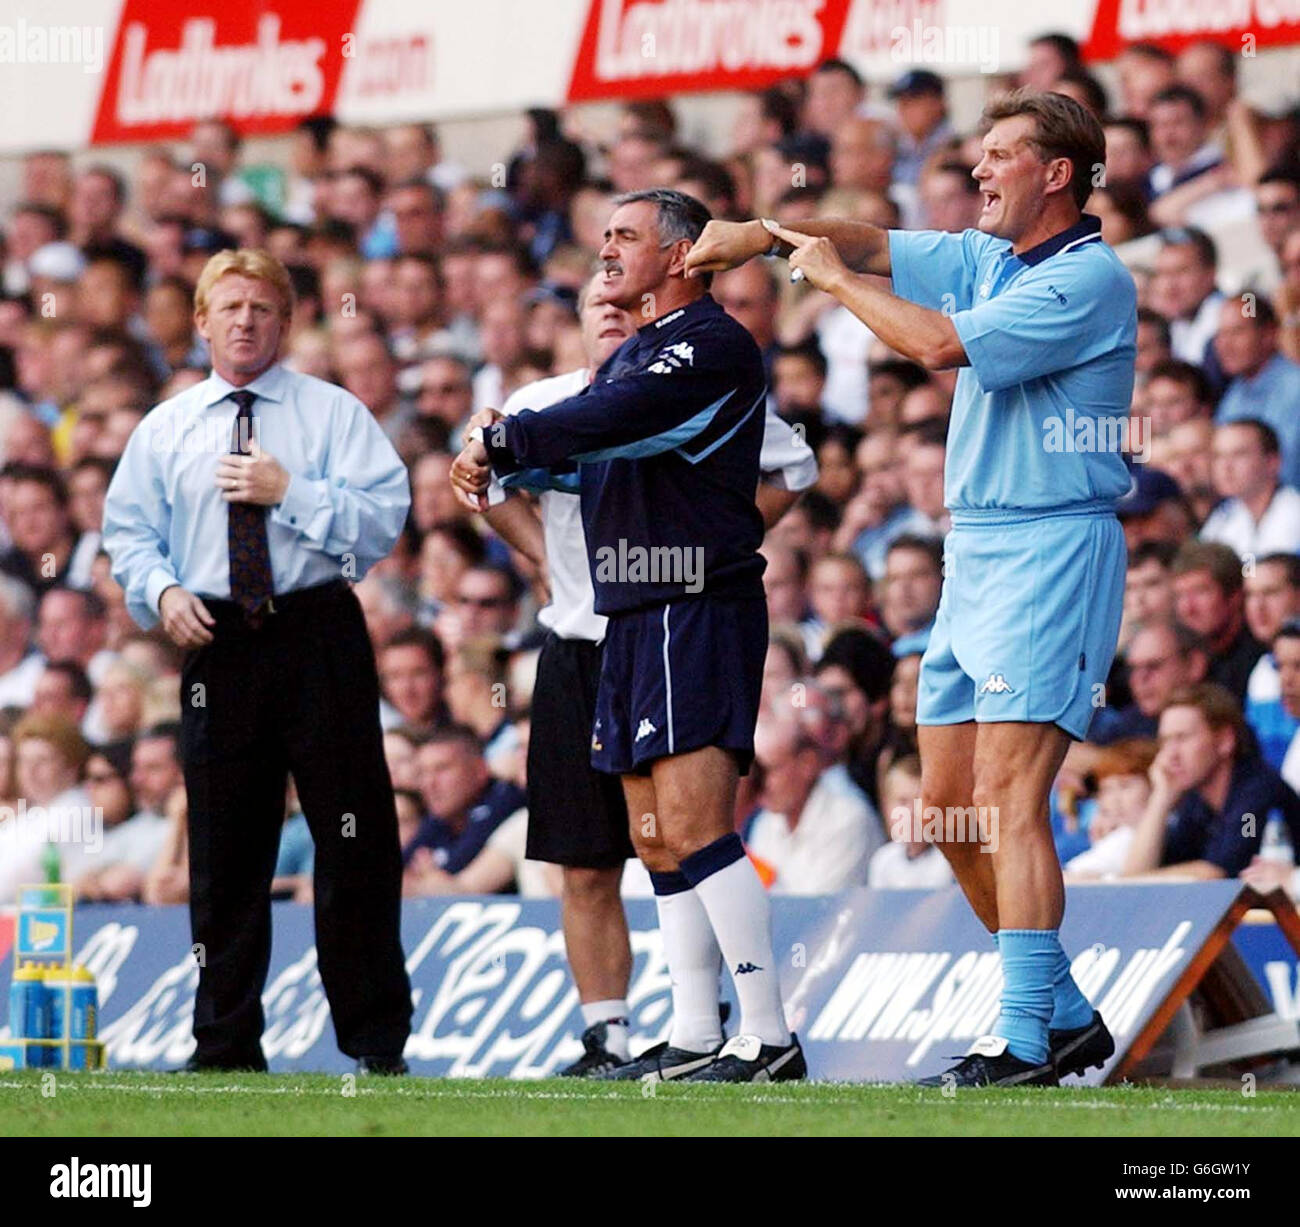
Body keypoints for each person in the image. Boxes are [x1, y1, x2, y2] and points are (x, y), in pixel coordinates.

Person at [687, 88, 1133, 1087]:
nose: (978, 170)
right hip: (973, 551)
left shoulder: (1088, 277)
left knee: (1006, 797)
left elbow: (934, 345)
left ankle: (1023, 1039)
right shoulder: (987, 255)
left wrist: (832, 282)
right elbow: (871, 238)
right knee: (946, 807)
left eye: (1000, 155)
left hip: (1051, 548)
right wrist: (761, 231)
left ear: (1057, 174)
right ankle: (1061, 1012)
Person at [452, 189, 804, 1083]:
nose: (606, 249)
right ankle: (694, 1029)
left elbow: (617, 421)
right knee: (653, 837)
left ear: (680, 255)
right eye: (603, 235)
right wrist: (510, 462)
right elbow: (595, 453)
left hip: (694, 602)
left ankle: (768, 1033)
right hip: (633, 611)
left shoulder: (709, 344)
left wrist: (504, 439)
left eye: (626, 237)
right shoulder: (638, 353)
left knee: (695, 824)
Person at [102, 249, 414, 1075]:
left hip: (315, 627)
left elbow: (384, 518)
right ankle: (225, 1043)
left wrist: (292, 492)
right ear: (202, 322)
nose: (246, 321)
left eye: (263, 308)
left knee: (353, 835)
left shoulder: (331, 413)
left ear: (286, 321)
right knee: (224, 847)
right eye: (231, 307)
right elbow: (128, 532)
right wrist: (162, 590)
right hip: (217, 637)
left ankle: (376, 1043)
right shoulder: (166, 427)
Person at [1123, 684, 1300, 878]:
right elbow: (1138, 870)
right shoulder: (1196, 803)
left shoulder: (1258, 791)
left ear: (1225, 741)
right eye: (1165, 741)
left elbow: (1217, 872)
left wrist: (1133, 881)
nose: (1170, 755)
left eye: (1182, 738)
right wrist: (1161, 798)